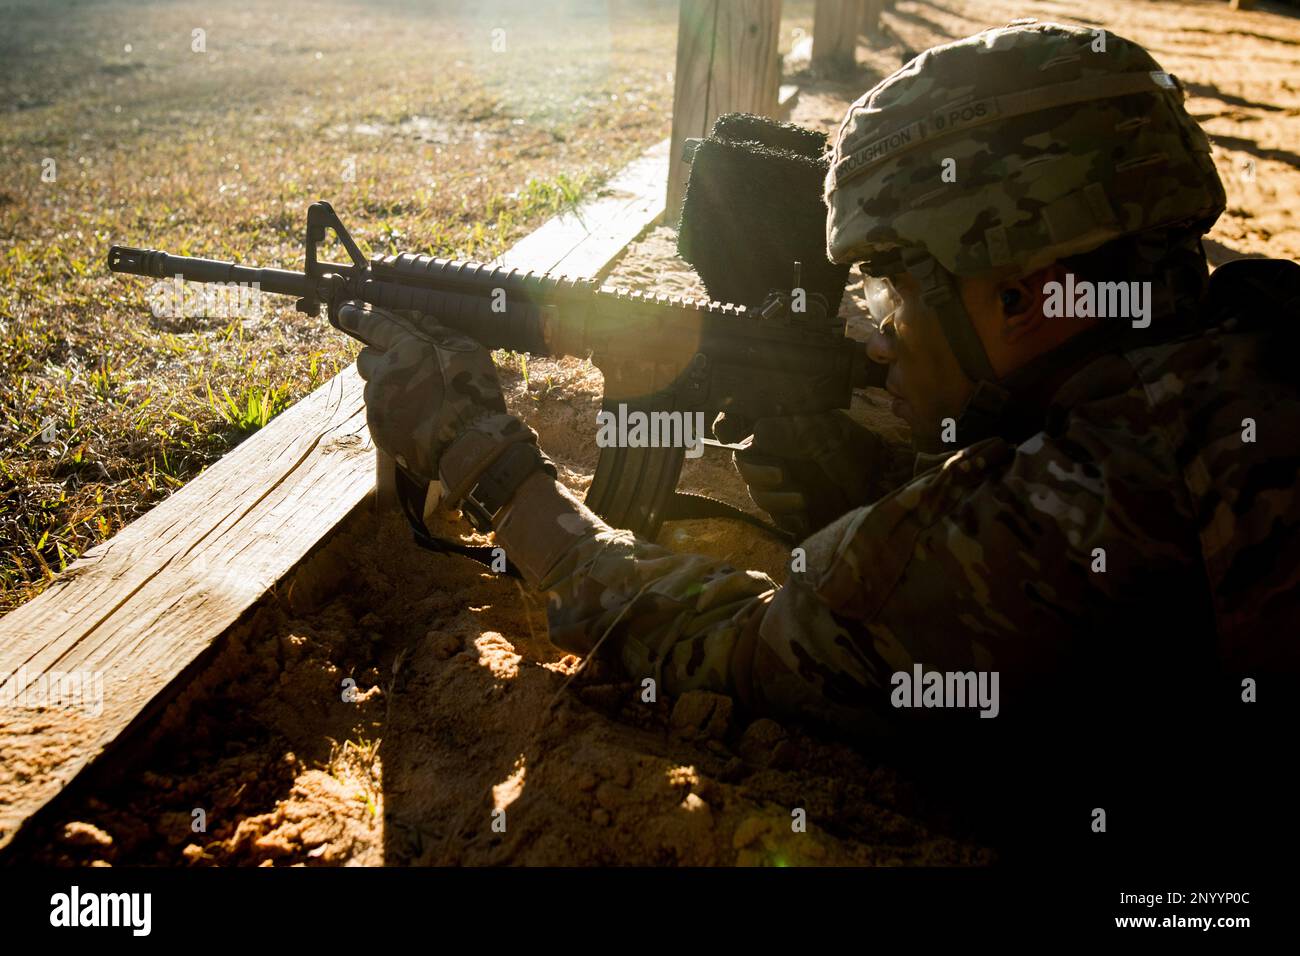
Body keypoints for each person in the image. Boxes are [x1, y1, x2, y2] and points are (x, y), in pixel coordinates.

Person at [336, 22, 1298, 850]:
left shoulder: (1068, 515)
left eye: (894, 287)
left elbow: (729, 645)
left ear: (1026, 293)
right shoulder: (1255, 329)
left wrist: (489, 464)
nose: (881, 330)